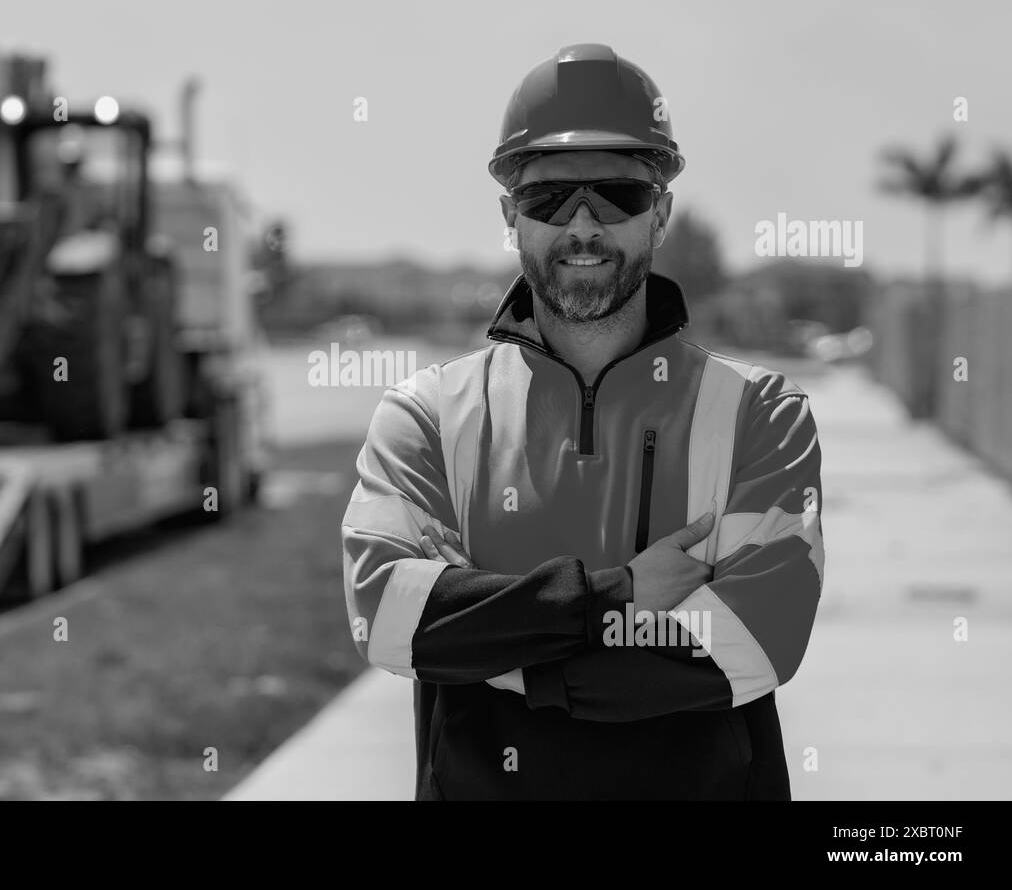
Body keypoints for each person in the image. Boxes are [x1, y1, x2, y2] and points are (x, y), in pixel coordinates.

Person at [341, 44, 824, 800]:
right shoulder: (425, 418)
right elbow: (390, 618)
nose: (584, 223)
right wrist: (620, 595)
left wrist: (487, 643)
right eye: (549, 198)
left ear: (660, 211)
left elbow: (751, 643)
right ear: (511, 217)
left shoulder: (762, 414)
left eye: (618, 193)